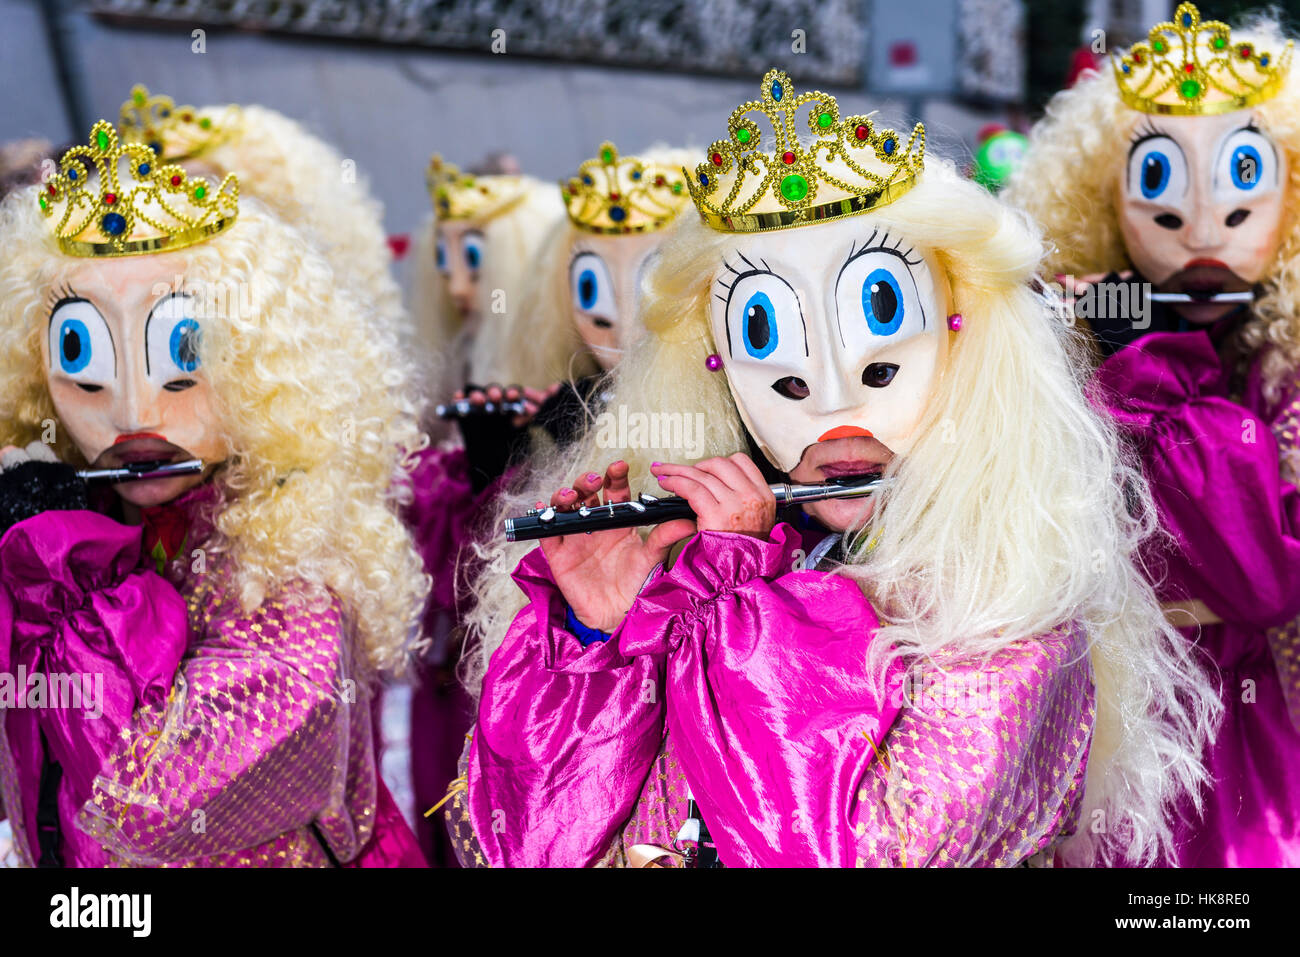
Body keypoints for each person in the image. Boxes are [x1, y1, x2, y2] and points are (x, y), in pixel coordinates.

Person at [445, 70, 1219, 867]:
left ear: (963, 344)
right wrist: (593, 641)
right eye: (780, 367)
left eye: (880, 362)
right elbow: (514, 847)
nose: (832, 403)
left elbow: (852, 853)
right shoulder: (690, 572)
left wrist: (740, 607)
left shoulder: (1011, 612)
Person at [0, 118, 429, 867]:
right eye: (82, 354)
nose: (133, 412)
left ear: (258, 360)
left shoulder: (293, 569)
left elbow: (144, 802)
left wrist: (61, 573)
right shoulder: (97, 525)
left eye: (181, 350)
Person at [1005, 2, 1300, 866]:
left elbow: (1261, 575)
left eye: (1242, 180)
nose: (1203, 228)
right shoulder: (1075, 335)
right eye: (1164, 189)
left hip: (1249, 738)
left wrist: (1154, 362)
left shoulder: (1281, 373)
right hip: (1098, 724)